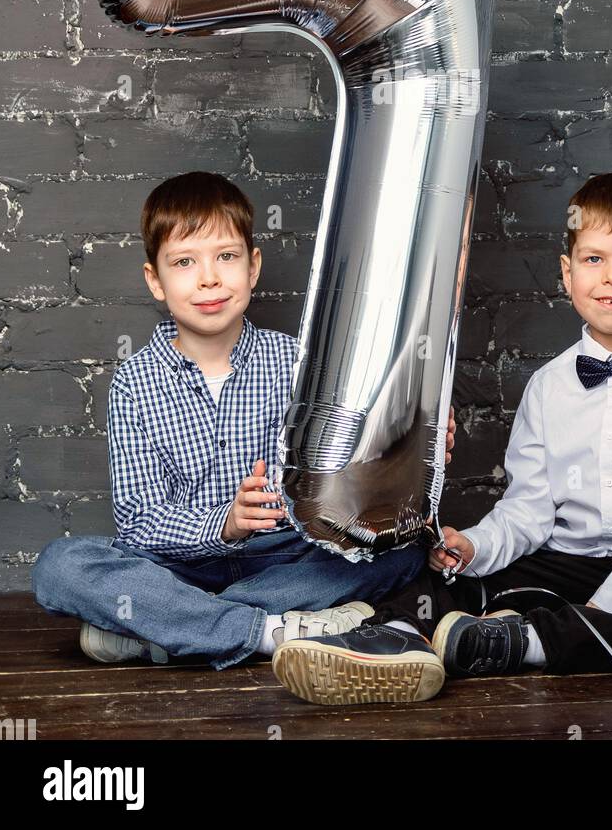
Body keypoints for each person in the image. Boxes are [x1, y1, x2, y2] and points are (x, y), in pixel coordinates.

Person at [271, 170, 612, 705]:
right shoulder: (547, 386)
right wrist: (476, 545)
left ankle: (523, 641)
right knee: (452, 579)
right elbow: (529, 510)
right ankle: (388, 637)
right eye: (594, 259)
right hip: (567, 563)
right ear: (566, 272)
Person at [31, 171, 455, 671]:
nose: (209, 278)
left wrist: (410, 451)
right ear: (156, 281)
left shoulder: (298, 364)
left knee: (399, 555)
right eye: (184, 262)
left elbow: (350, 466)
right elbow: (140, 522)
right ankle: (268, 631)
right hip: (176, 570)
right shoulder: (133, 382)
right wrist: (224, 522)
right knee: (60, 566)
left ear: (253, 267)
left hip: (285, 556)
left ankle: (170, 629)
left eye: (226, 257)